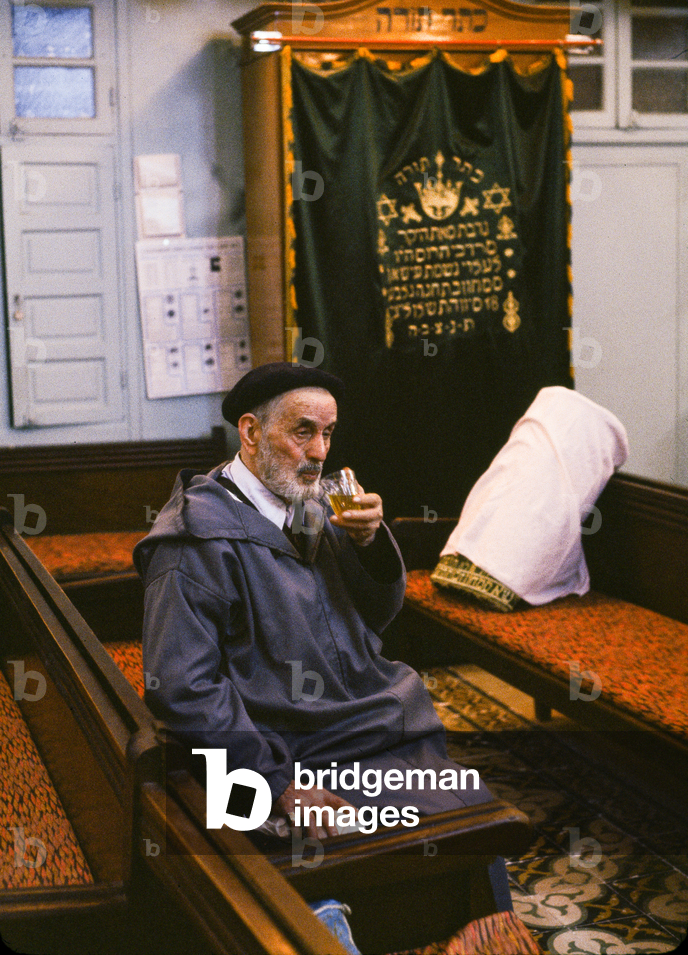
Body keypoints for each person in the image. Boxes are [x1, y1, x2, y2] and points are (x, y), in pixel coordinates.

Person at [134, 362, 511, 909]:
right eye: (302, 431)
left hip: (365, 722)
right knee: (475, 828)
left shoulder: (311, 506)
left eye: (328, 433)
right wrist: (276, 784)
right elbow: (180, 688)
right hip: (295, 750)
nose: (319, 452)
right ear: (251, 432)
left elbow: (374, 618)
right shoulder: (196, 540)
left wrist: (370, 544)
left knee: (477, 817)